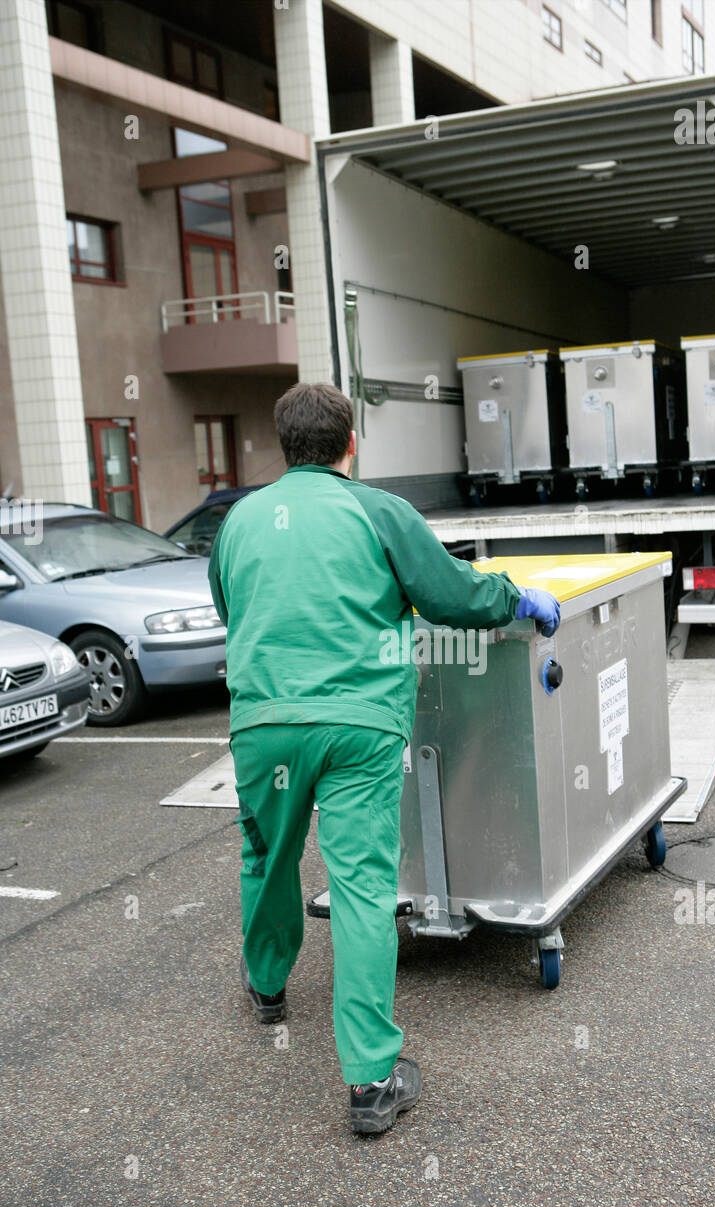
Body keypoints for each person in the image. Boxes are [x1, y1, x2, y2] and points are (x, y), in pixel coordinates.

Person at [208, 382, 560, 1134]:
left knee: (266, 855)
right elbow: (450, 596)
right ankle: (371, 1082)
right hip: (361, 726)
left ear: (283, 445)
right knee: (363, 886)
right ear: (350, 444)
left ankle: (268, 982)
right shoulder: (377, 512)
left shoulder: (238, 522)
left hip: (263, 720)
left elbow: (232, 608)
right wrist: (514, 598)